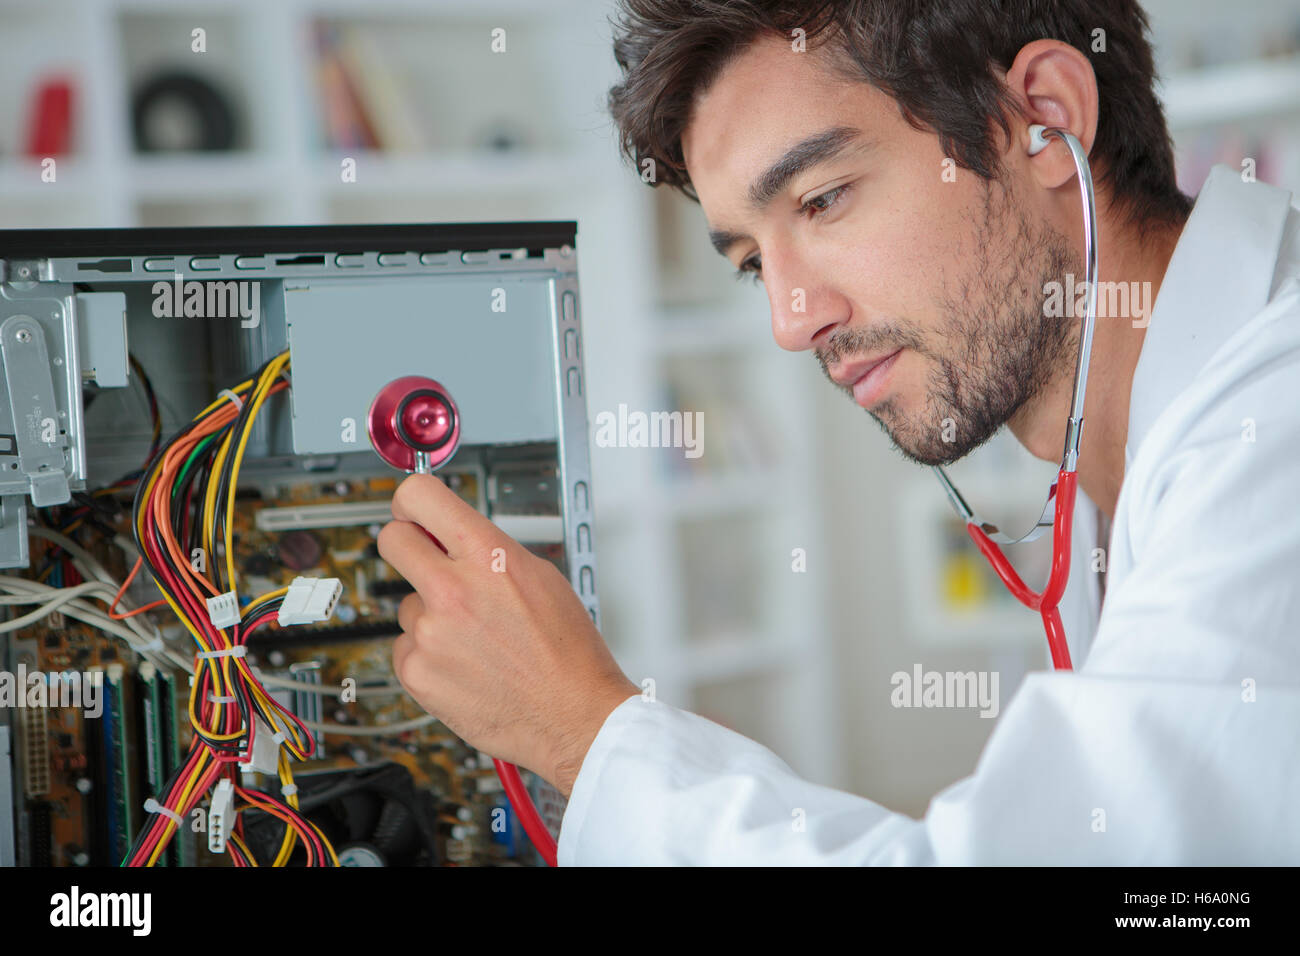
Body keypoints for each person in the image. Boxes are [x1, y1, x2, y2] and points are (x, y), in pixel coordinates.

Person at [377, 0, 1300, 864]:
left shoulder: (1276, 429)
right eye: (750, 263)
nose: (790, 320)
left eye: (821, 200)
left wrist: (580, 732)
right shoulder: (1152, 458)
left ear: (1045, 118)